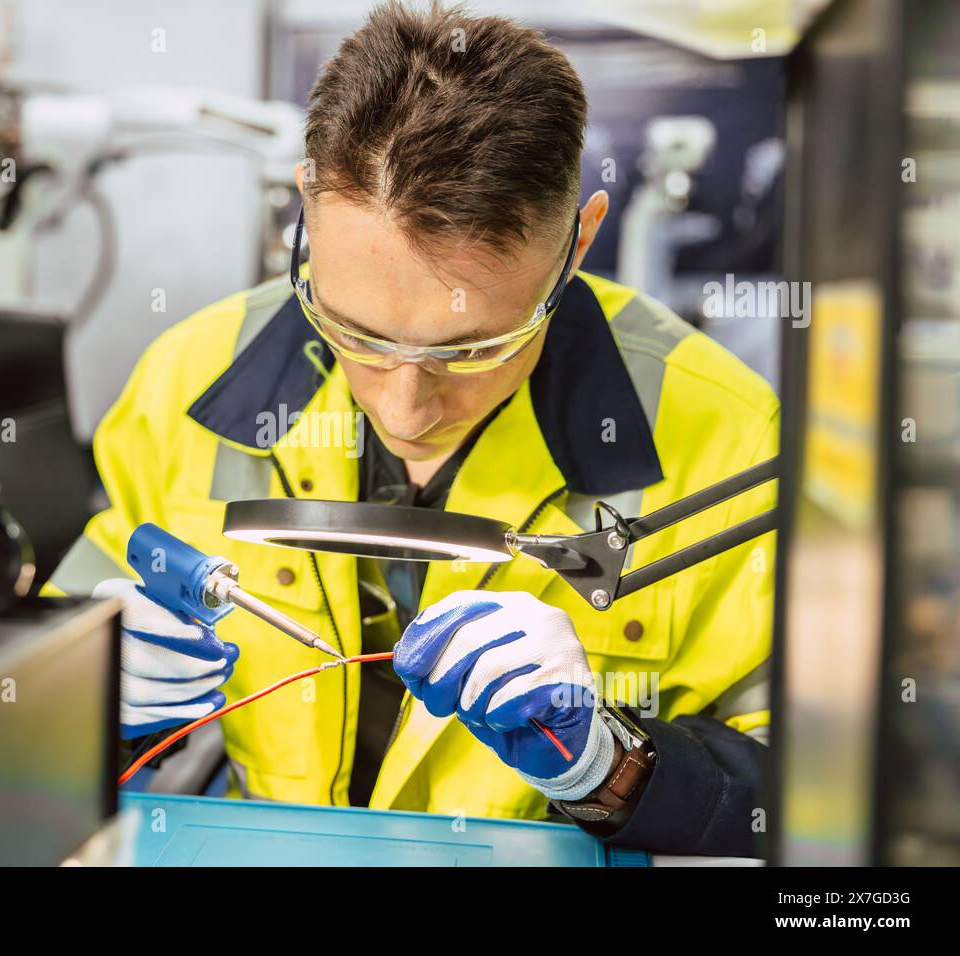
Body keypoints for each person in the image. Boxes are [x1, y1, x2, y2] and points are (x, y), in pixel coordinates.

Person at [43, 2, 777, 857]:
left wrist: (613, 766)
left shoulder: (733, 441)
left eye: (473, 348)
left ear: (579, 244)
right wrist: (87, 700)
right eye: (354, 331)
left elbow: (815, 801)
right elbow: (35, 693)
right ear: (304, 218)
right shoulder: (187, 379)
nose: (403, 407)